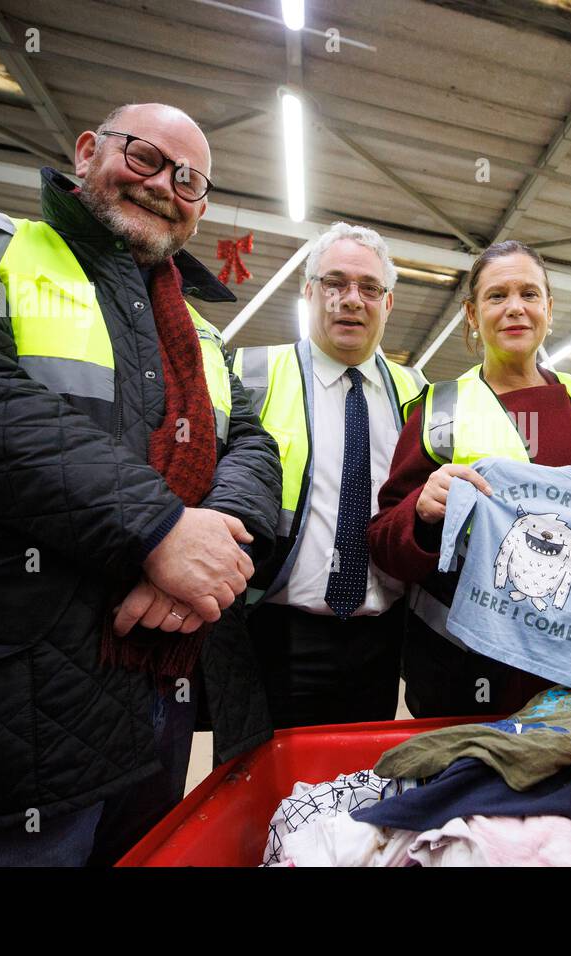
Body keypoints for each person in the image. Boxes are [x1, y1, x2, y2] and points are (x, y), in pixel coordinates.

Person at [0, 103, 282, 866]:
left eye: (188, 179)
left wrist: (217, 536)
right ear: (86, 151)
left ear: (200, 210)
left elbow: (251, 443)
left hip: (152, 695)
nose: (162, 186)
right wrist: (159, 531)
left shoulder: (202, 335)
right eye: (143, 157)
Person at [369, 240, 571, 717]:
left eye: (529, 294)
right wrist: (421, 510)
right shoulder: (441, 412)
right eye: (497, 296)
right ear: (472, 315)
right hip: (477, 672)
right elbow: (385, 540)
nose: (515, 308)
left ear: (548, 309)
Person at [231, 222, 425, 728]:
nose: (350, 299)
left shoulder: (419, 395)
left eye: (368, 288)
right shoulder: (252, 373)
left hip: (381, 642)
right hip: (273, 629)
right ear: (310, 290)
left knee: (357, 793)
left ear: (388, 304)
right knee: (266, 791)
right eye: (335, 283)